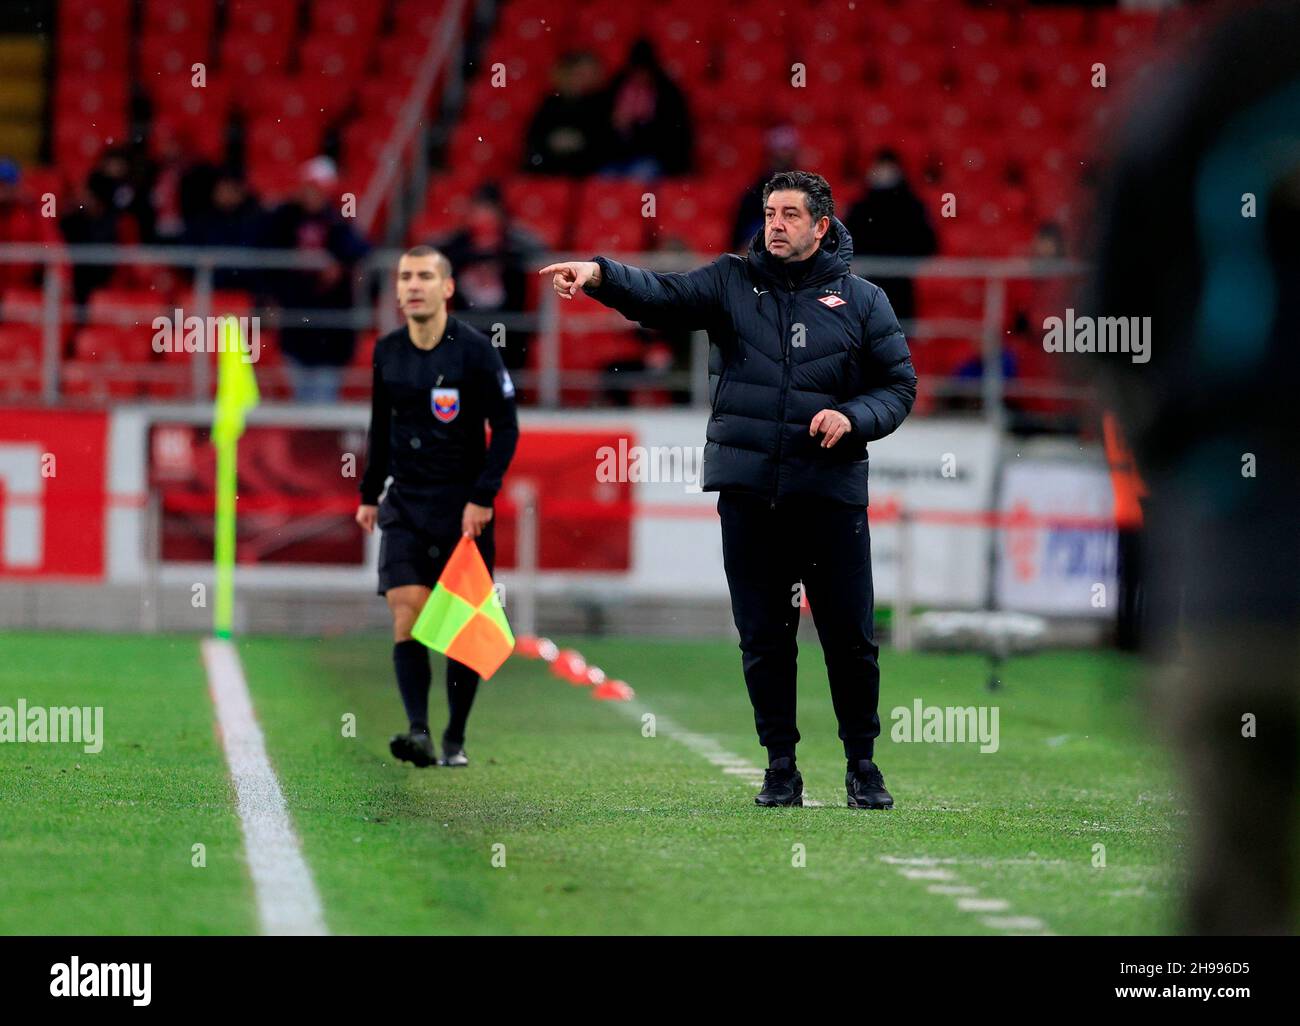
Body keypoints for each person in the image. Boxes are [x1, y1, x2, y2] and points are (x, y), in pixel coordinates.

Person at [540, 170, 916, 809]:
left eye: (791, 215)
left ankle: (862, 764)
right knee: (764, 637)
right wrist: (601, 275)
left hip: (829, 494)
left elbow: (899, 387)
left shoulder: (864, 301)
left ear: (821, 226)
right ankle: (780, 766)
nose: (775, 223)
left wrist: (854, 417)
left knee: (849, 637)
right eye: (770, 212)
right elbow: (660, 296)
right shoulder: (730, 281)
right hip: (750, 496)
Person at [356, 245, 520, 768]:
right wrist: (367, 493)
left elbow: (508, 428)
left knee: (460, 633)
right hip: (404, 502)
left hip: (461, 508)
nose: (413, 285)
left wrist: (482, 496)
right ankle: (418, 731)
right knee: (406, 611)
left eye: (425, 276)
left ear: (447, 287)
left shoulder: (474, 351)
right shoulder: (387, 351)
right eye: (406, 276)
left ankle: (455, 737)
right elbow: (382, 428)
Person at [262, 156, 370, 402]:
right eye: (309, 187)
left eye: (318, 189)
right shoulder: (285, 218)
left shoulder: (337, 220)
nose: (312, 194)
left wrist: (337, 262)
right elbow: (265, 254)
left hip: (328, 326)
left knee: (322, 397)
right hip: (296, 320)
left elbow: (359, 249)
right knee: (296, 395)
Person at [430, 181, 541, 373]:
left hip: (507, 324)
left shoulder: (514, 241)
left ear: (500, 212)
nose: (483, 217)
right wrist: (473, 256)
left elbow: (538, 252)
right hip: (467, 320)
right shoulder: (458, 242)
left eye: (488, 210)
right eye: (478, 209)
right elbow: (430, 251)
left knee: (503, 374)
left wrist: (498, 256)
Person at [842, 149, 937, 323]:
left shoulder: (912, 206)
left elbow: (928, 242)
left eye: (888, 167)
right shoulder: (860, 206)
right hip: (867, 281)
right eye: (880, 167)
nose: (884, 173)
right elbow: (845, 241)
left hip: (901, 284)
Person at [595, 37, 693, 178]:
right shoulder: (615, 87)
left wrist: (635, 127)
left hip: (652, 158)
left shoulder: (668, 93)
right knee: (604, 179)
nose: (640, 76)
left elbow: (671, 137)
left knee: (641, 175)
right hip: (616, 156)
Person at [522, 50, 612, 176]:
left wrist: (579, 141)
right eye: (579, 74)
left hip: (588, 168)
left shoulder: (603, 103)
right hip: (550, 164)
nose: (582, 79)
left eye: (589, 74)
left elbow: (607, 142)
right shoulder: (551, 103)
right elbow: (535, 137)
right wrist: (553, 141)